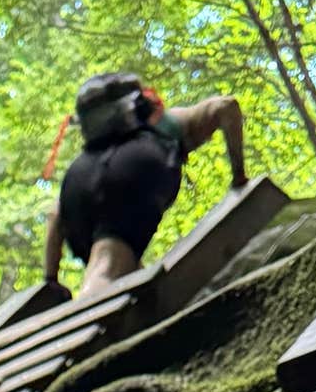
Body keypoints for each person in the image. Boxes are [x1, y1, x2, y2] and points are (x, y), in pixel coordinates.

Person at [43, 74, 247, 299]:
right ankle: (91, 307)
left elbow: (56, 213)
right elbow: (225, 106)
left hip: (75, 190)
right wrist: (239, 176)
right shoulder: (171, 123)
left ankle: (104, 299)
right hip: (131, 174)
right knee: (108, 265)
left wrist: (50, 279)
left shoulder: (91, 159)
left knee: (121, 267)